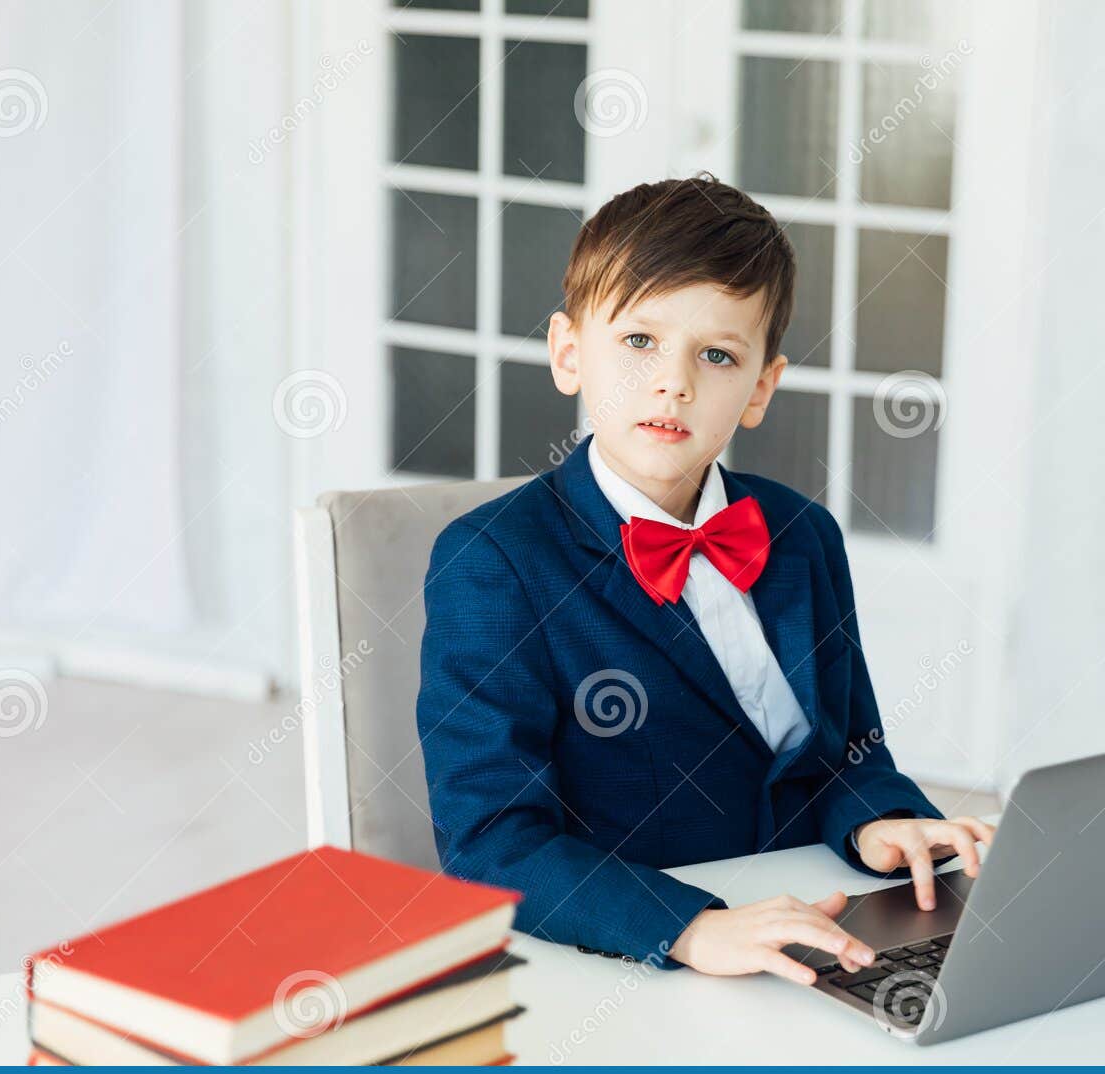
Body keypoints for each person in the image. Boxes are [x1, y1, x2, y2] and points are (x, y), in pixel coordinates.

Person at [417, 173, 994, 985]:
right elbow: (491, 840)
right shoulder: (493, 565)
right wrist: (689, 927)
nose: (674, 383)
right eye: (640, 341)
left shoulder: (801, 536)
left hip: (817, 929)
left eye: (717, 355)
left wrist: (882, 823)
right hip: (638, 961)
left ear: (760, 386)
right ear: (569, 352)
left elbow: (845, 757)